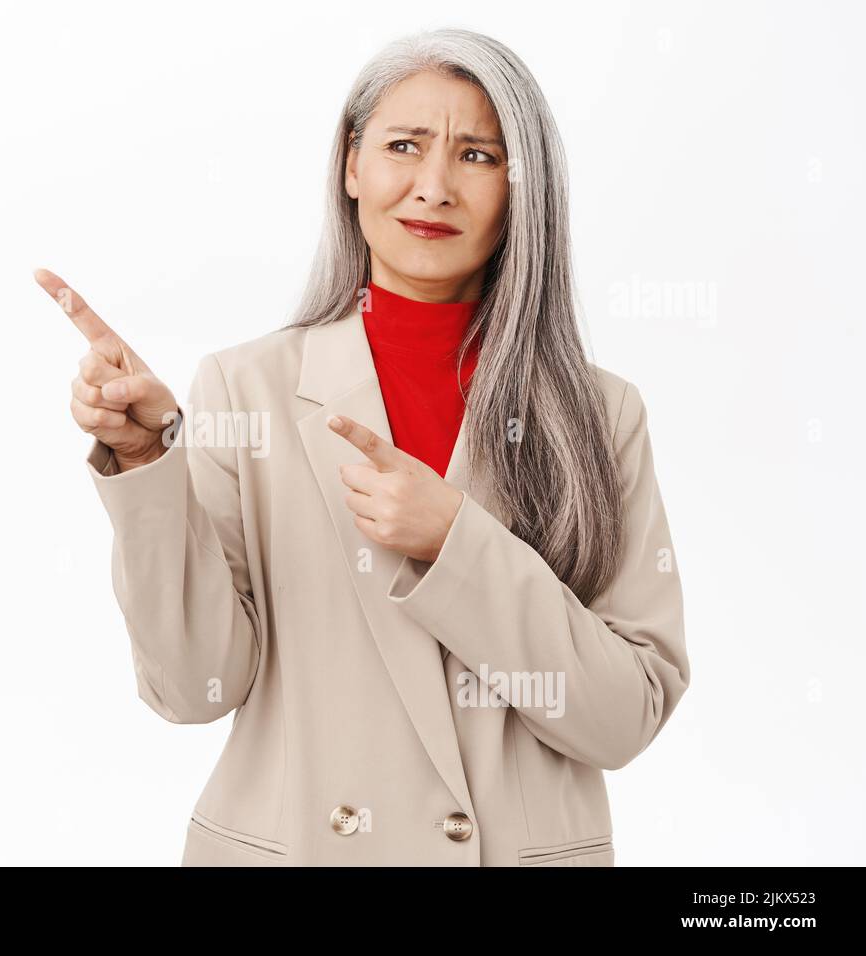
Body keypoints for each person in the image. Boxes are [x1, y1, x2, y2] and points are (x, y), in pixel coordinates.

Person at [36, 26, 689, 866]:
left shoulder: (599, 414)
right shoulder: (245, 388)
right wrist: (145, 464)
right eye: (403, 146)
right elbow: (195, 688)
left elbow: (623, 716)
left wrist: (456, 542)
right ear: (351, 166)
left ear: (524, 188)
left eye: (479, 156)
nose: (434, 187)